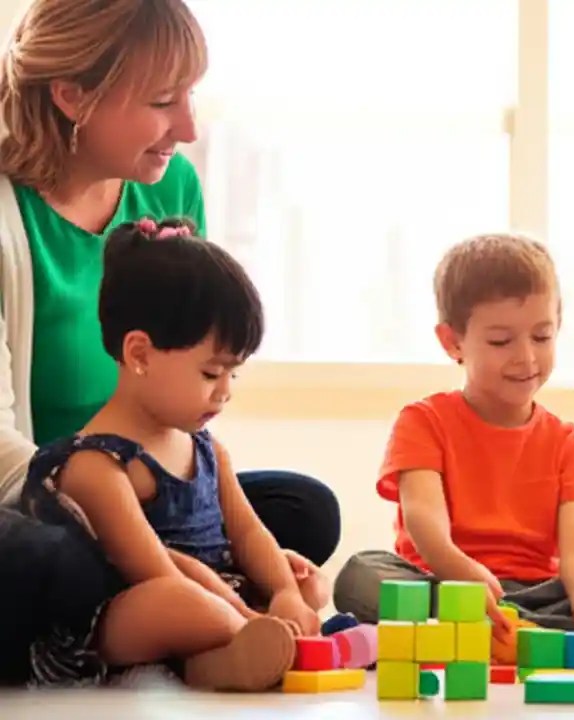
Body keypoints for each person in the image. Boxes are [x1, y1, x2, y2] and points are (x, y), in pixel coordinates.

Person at [0, 0, 338, 683]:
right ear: (72, 96)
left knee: (304, 510)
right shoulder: (9, 213)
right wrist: (114, 523)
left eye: (190, 96)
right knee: (44, 560)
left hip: (143, 482)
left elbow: (190, 362)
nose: (187, 128)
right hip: (45, 495)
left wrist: (207, 525)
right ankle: (181, 613)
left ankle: (173, 616)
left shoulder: (170, 187)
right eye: (162, 102)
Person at [18, 217, 327, 689]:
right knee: (180, 603)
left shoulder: (206, 449)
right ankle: (235, 643)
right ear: (140, 354)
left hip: (216, 591)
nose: (225, 392)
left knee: (307, 579)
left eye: (233, 375)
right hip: (138, 606)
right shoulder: (96, 466)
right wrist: (244, 612)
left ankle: (215, 662)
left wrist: (285, 591)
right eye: (210, 374)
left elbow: (248, 532)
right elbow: (154, 567)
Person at [332, 234, 574, 633]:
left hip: (544, 590)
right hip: (446, 582)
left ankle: (502, 628)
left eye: (542, 337)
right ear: (452, 342)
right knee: (362, 575)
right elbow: (423, 519)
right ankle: (537, 630)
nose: (526, 357)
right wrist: (461, 572)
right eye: (501, 341)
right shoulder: (423, 421)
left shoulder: (568, 441)